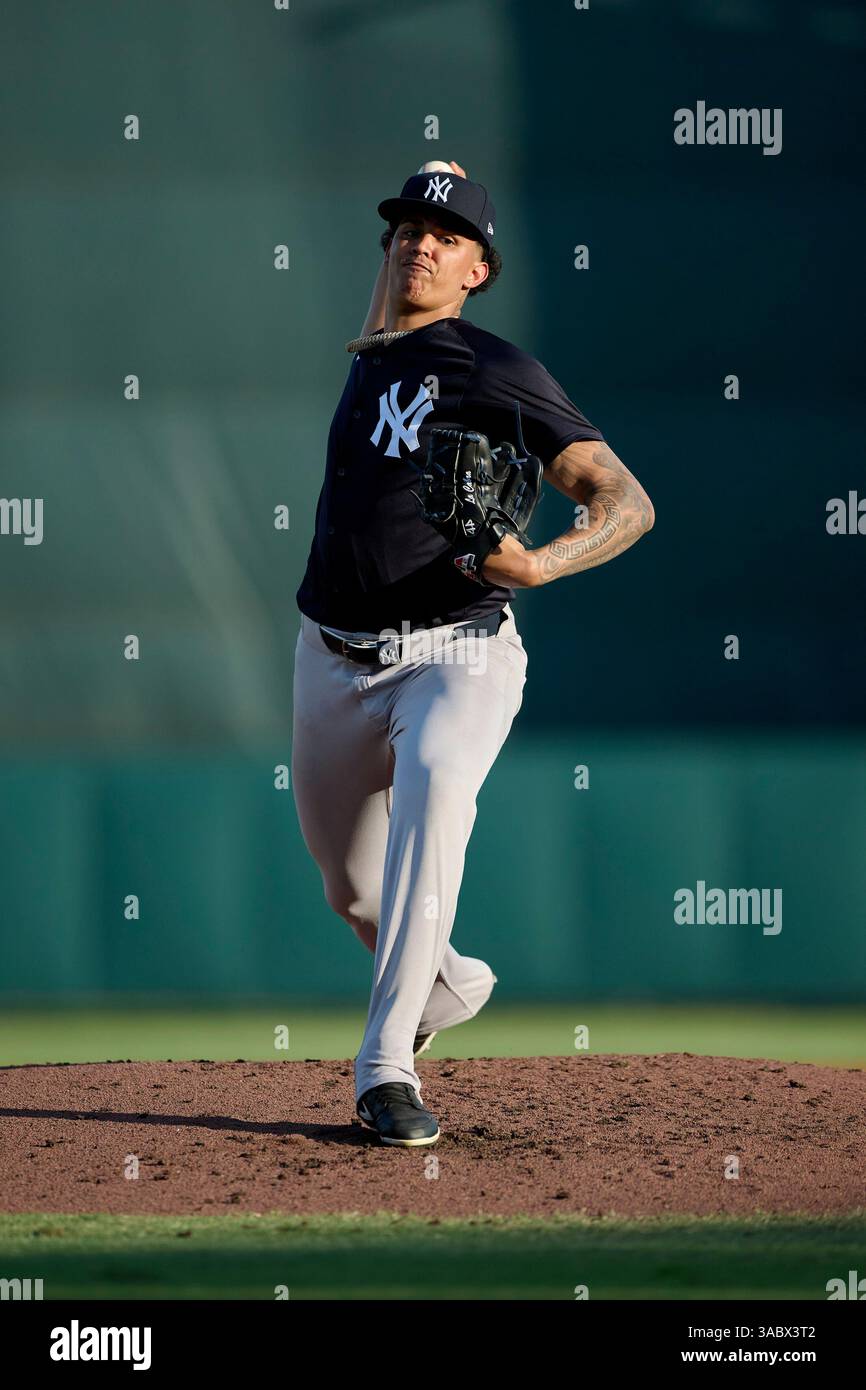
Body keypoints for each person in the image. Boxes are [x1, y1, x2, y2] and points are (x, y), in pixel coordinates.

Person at [292, 161, 654, 1146]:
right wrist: (432, 187)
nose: (421, 242)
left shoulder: (493, 367)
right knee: (351, 889)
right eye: (407, 229)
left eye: (447, 236)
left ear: (481, 270)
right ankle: (448, 981)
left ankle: (383, 1069)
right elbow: (390, 300)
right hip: (328, 654)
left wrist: (536, 564)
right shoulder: (371, 349)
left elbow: (626, 501)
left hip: (456, 651)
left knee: (437, 791)